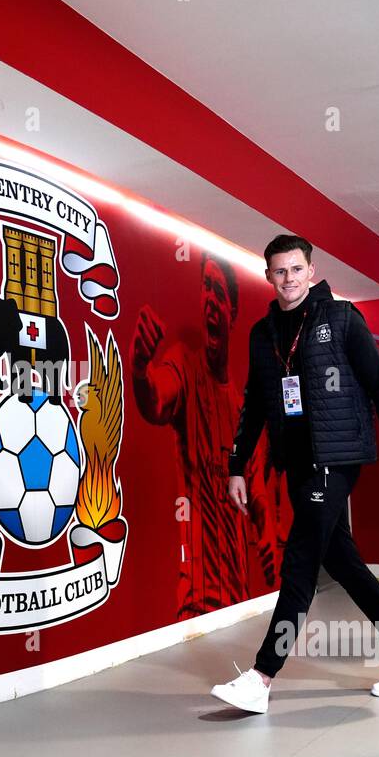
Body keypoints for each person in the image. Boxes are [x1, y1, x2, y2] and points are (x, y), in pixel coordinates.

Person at [212, 234, 379, 713]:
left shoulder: (342, 318)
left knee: (300, 561)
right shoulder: (263, 332)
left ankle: (261, 676)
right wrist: (236, 465)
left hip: (336, 458)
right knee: (343, 562)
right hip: (295, 461)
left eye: (296, 269)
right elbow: (254, 403)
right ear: (268, 275)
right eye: (279, 271)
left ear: (311, 271)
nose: (288, 279)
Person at [131, 253, 283, 618]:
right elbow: (155, 400)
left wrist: (273, 553)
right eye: (206, 288)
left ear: (231, 311)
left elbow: (259, 498)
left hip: (239, 596)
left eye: (218, 291)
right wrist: (139, 368)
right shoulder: (184, 364)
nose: (210, 299)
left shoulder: (243, 410)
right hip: (196, 595)